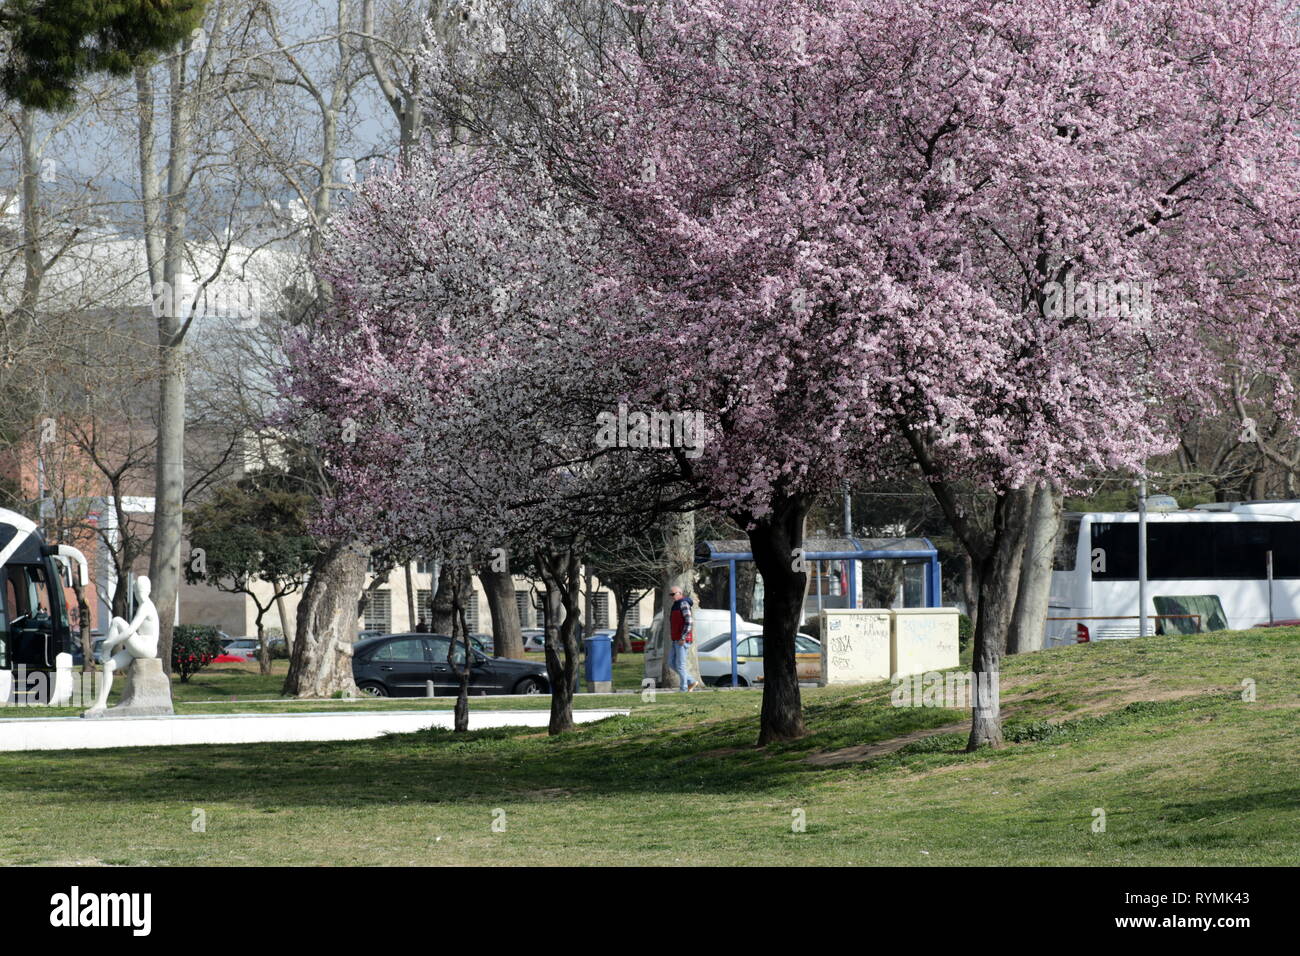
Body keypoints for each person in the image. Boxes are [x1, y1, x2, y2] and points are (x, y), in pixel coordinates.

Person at [669, 585, 701, 692]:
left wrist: (683, 637)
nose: (671, 596)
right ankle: (691, 681)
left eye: (673, 594)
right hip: (675, 639)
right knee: (671, 663)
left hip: (682, 640)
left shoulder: (683, 603)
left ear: (679, 593)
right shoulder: (675, 605)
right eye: (670, 594)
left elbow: (689, 622)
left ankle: (684, 688)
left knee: (680, 665)